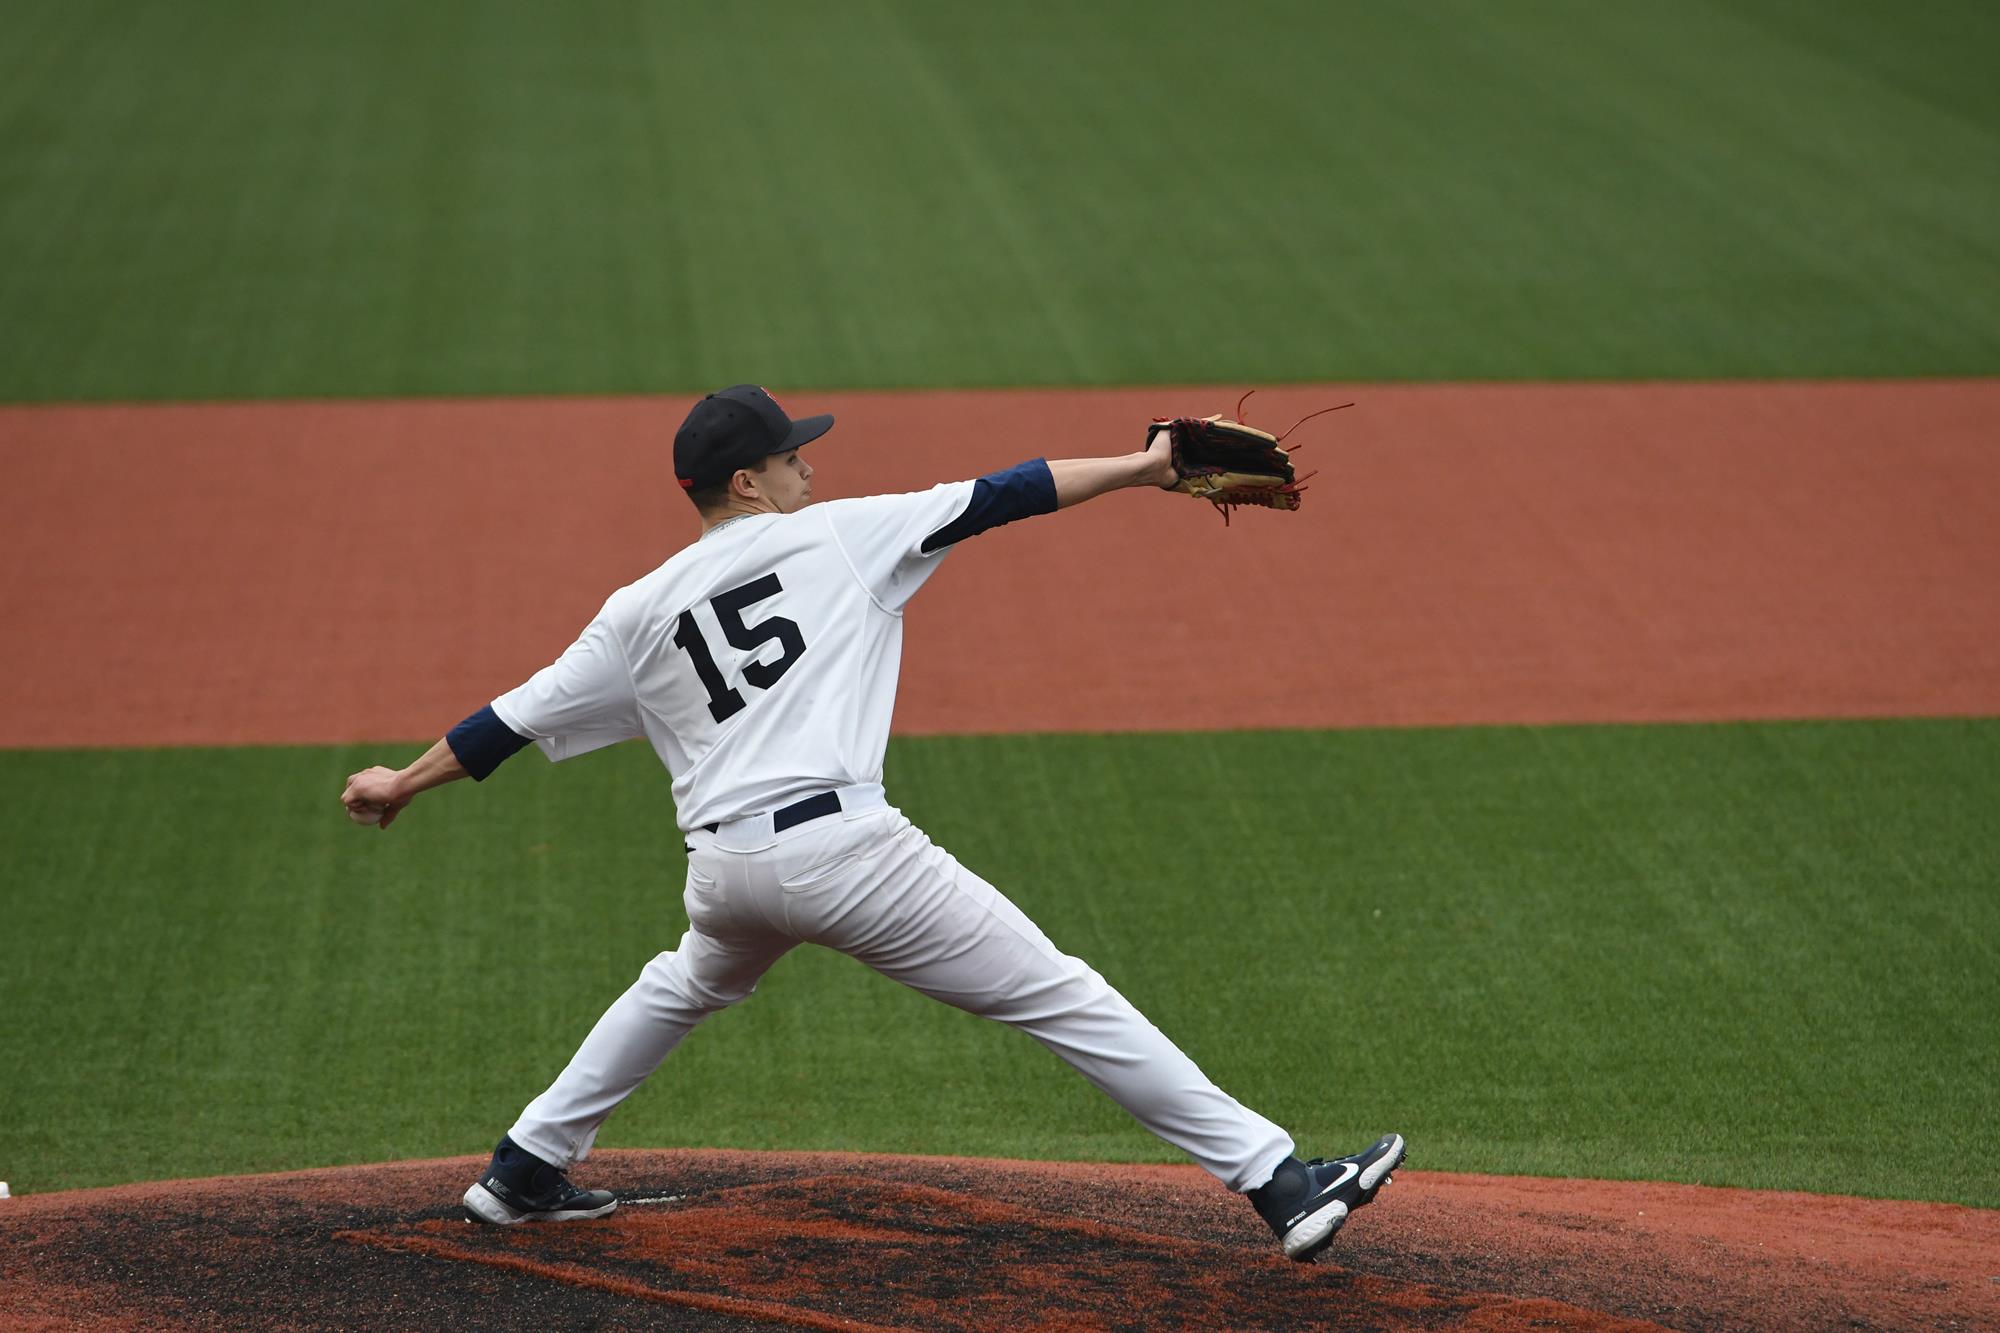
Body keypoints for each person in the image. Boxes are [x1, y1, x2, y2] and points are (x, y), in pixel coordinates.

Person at [339, 384, 1403, 1260]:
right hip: (845, 854)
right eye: (791, 457)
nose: (811, 468)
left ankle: (523, 1169)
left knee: (684, 982)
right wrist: (1146, 465)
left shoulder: (636, 610)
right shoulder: (840, 537)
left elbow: (505, 721)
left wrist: (399, 782)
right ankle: (1277, 1182)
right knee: (1059, 994)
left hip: (726, 870)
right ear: (747, 481)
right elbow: (1007, 493)